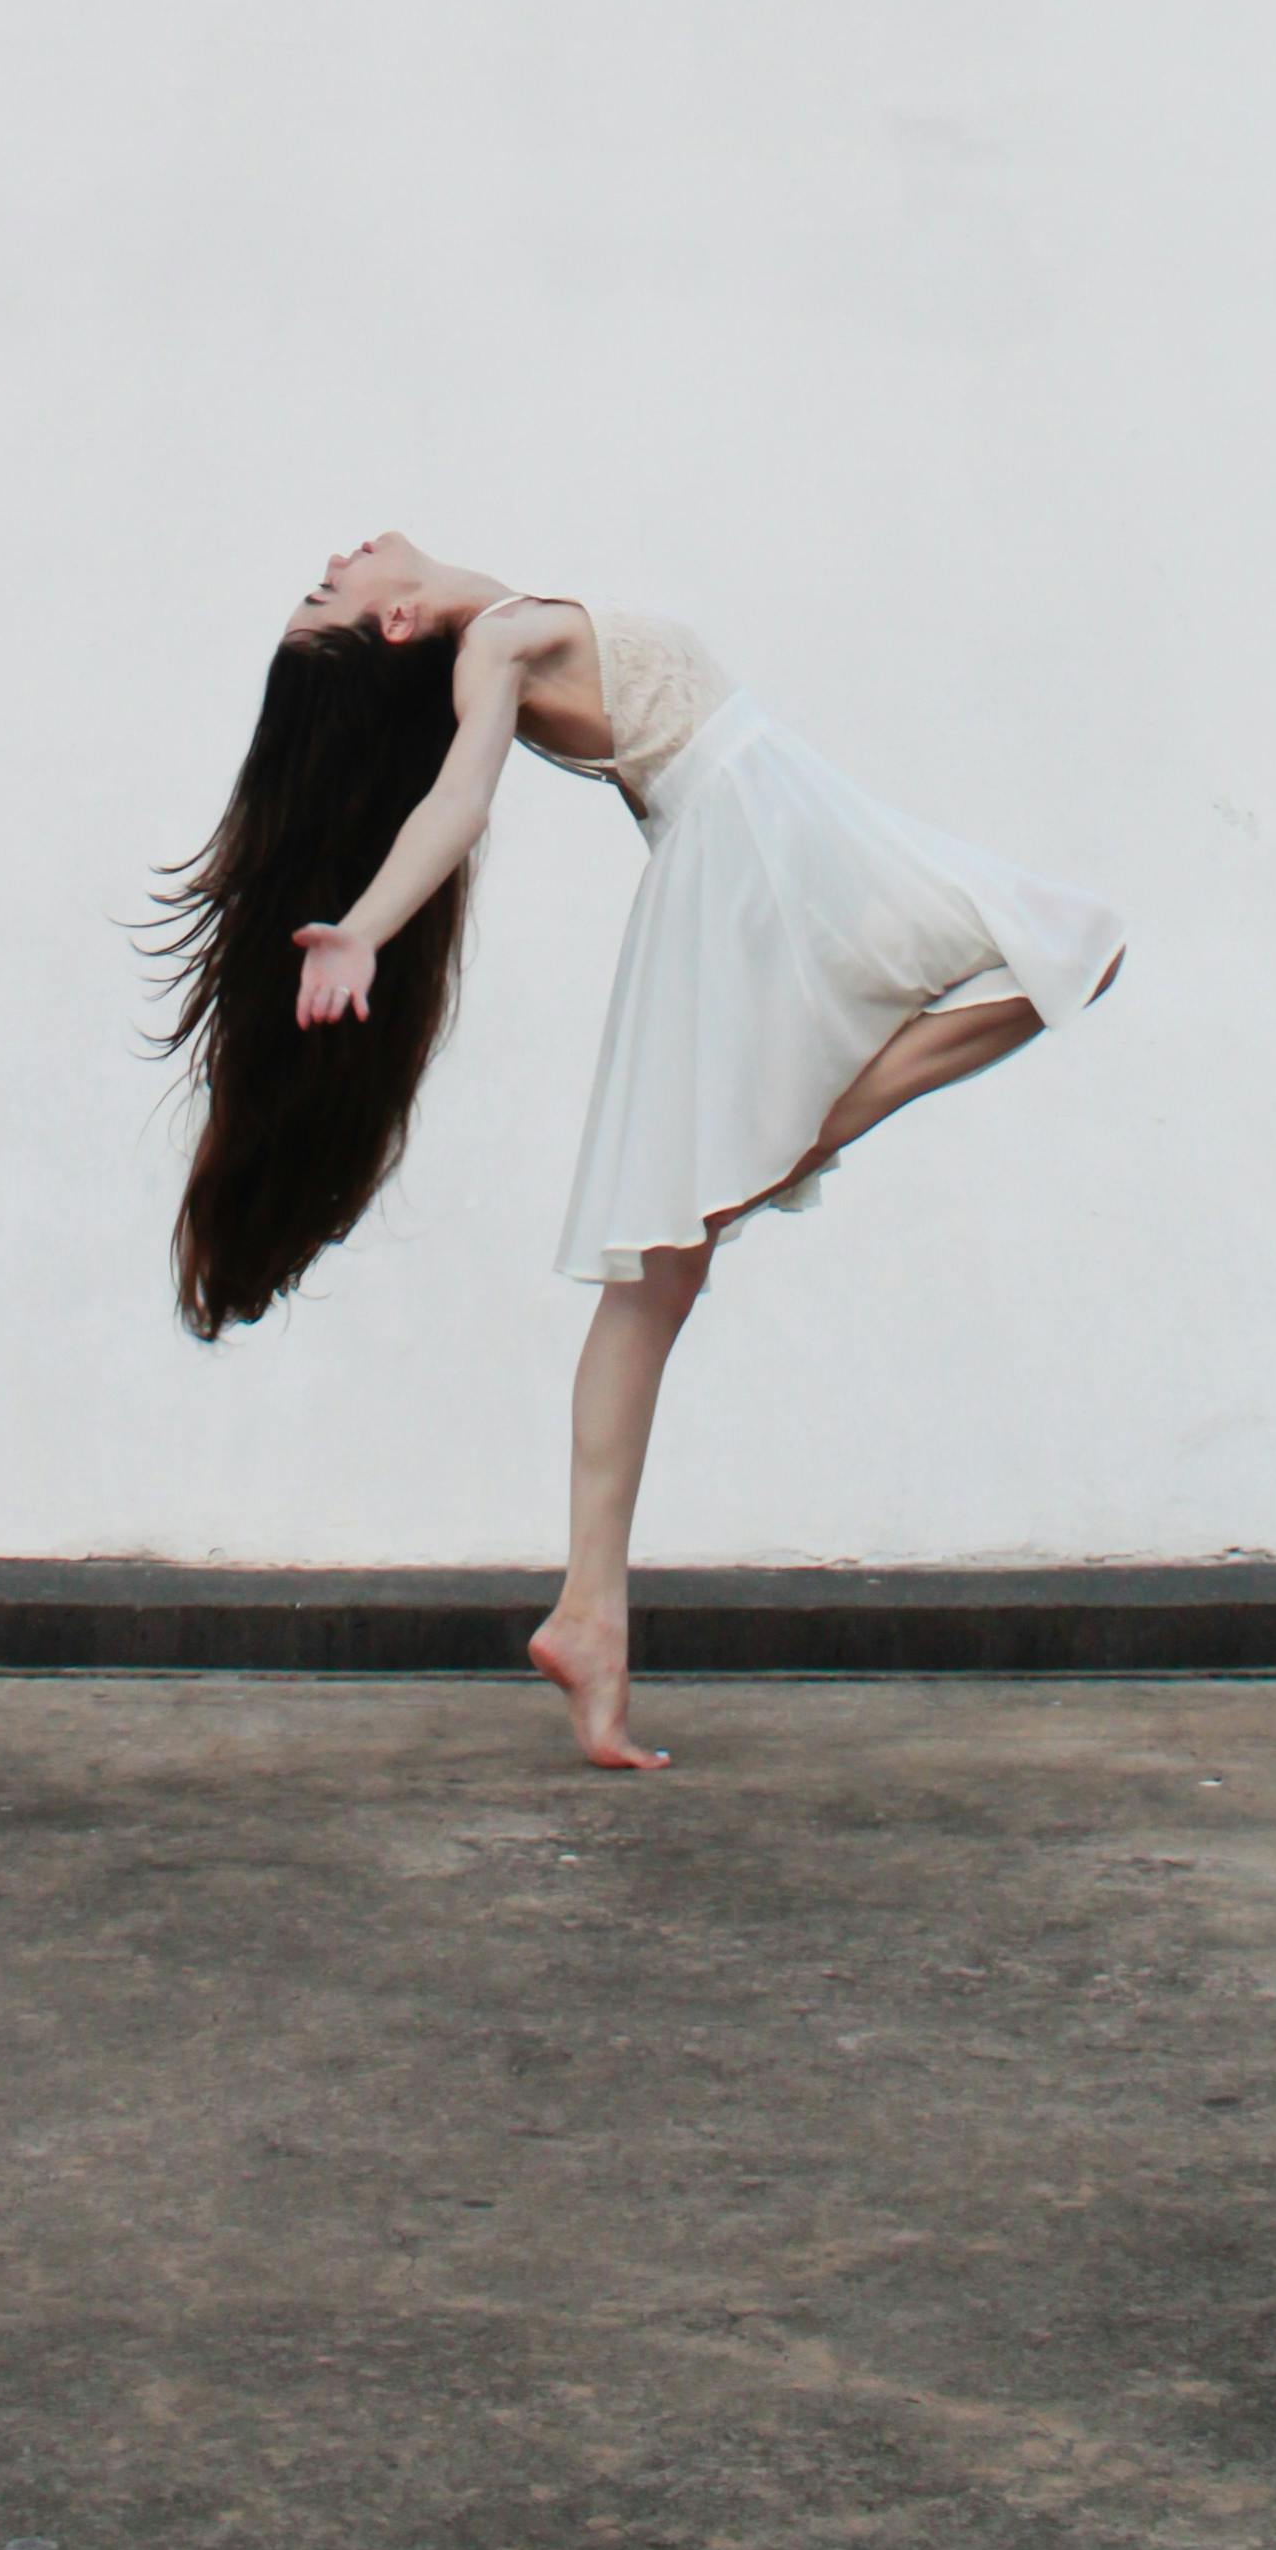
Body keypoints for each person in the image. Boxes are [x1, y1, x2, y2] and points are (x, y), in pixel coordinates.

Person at [157, 534, 1121, 1769]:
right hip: (757, 850)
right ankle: (778, 1146)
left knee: (661, 1272)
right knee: (1069, 948)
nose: (333, 557)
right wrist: (356, 931)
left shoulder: (501, 619)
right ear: (395, 621)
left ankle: (589, 1617)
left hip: (761, 843)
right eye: (325, 588)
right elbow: (459, 800)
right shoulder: (496, 643)